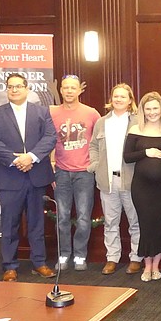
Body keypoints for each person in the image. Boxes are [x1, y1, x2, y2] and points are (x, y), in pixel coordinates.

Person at [0, 72, 57, 282]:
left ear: (27, 88)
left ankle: (40, 263)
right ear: (6, 90)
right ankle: (10, 266)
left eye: (18, 86)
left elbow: (50, 137)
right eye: (10, 87)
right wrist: (16, 160)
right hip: (9, 175)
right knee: (9, 223)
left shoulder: (42, 112)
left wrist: (31, 158)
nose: (14, 90)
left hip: (36, 175)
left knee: (37, 223)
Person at [89, 83, 142, 276]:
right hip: (107, 181)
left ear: (130, 101)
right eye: (115, 96)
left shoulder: (137, 121)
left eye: (123, 97)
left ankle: (136, 258)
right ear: (111, 99)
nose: (118, 99)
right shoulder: (102, 122)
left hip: (130, 180)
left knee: (134, 221)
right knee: (111, 222)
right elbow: (93, 146)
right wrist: (95, 165)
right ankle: (112, 258)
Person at [50, 75, 101, 272]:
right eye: (66, 88)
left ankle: (80, 255)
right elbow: (48, 141)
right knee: (62, 216)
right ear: (61, 90)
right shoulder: (52, 113)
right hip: (61, 172)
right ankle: (64, 254)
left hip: (85, 173)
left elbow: (98, 142)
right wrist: (52, 164)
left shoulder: (91, 114)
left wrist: (95, 164)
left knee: (83, 217)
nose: (69, 91)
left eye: (73, 87)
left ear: (80, 90)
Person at [124, 92, 161, 281]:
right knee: (145, 225)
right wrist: (147, 152)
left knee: (160, 225)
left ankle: (157, 266)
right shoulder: (136, 129)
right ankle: (147, 266)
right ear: (142, 110)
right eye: (148, 109)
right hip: (142, 188)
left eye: (155, 108)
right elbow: (127, 157)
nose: (152, 112)